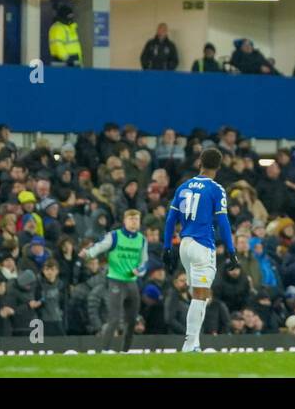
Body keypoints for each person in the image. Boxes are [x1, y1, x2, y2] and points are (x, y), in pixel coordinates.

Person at [162, 147, 237, 352]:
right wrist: (231, 250)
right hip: (202, 245)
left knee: (198, 294)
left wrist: (167, 247)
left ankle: (195, 343)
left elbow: (170, 220)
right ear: (219, 167)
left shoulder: (183, 186)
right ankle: (189, 344)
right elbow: (223, 221)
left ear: (199, 163)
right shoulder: (216, 189)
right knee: (201, 295)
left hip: (184, 245)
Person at [80, 208, 148, 351]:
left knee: (131, 320)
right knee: (114, 319)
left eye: (136, 219)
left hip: (131, 282)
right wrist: (88, 253)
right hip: (116, 280)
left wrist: (140, 271)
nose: (134, 222)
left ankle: (125, 351)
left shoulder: (142, 240)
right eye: (131, 219)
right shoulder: (114, 236)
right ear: (125, 221)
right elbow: (100, 247)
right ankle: (104, 350)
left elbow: (144, 262)